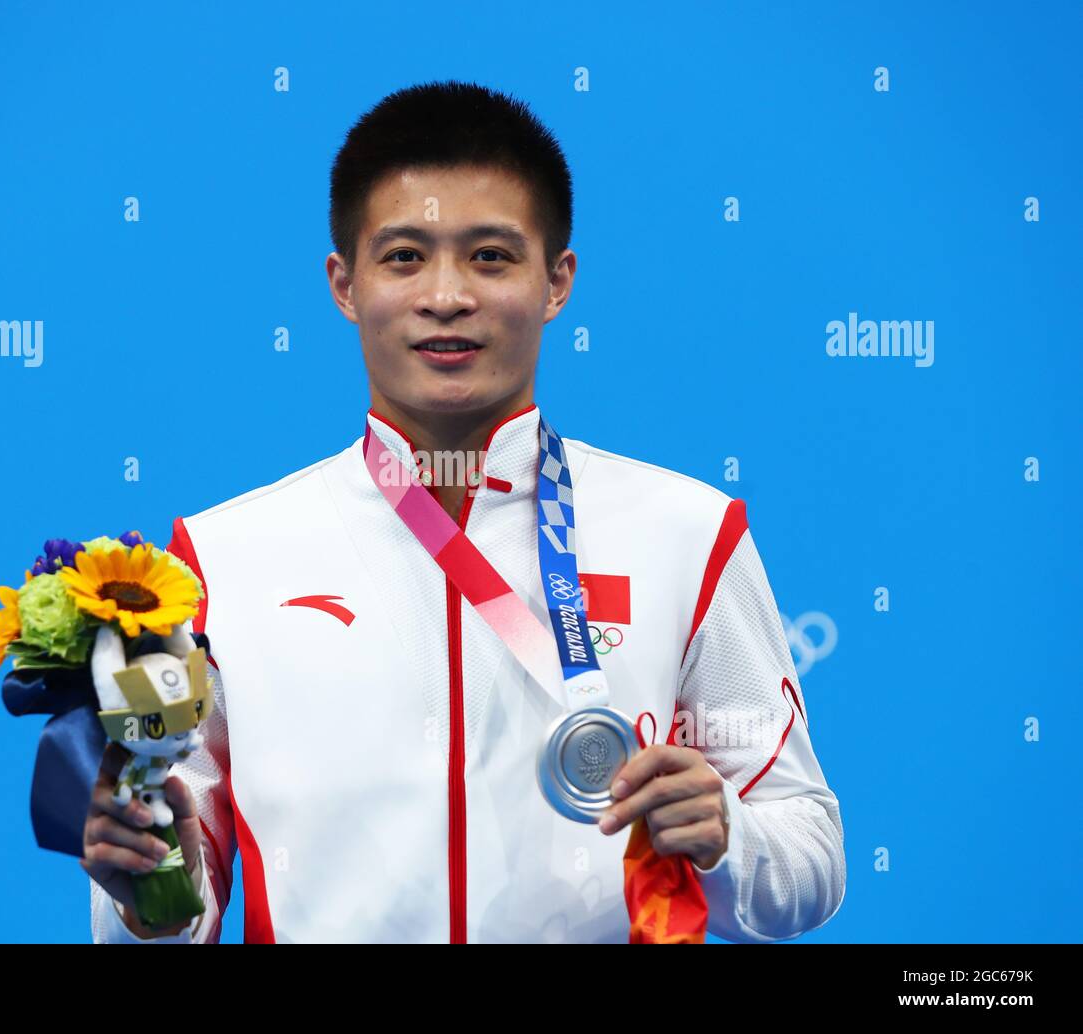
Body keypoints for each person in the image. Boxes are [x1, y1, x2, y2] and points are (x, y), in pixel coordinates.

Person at [83, 80, 846, 944]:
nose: (446, 295)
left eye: (490, 256)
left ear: (558, 281)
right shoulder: (223, 557)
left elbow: (810, 860)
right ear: (344, 283)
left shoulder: (687, 534)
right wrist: (149, 900)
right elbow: (170, 905)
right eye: (404, 256)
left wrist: (728, 839)